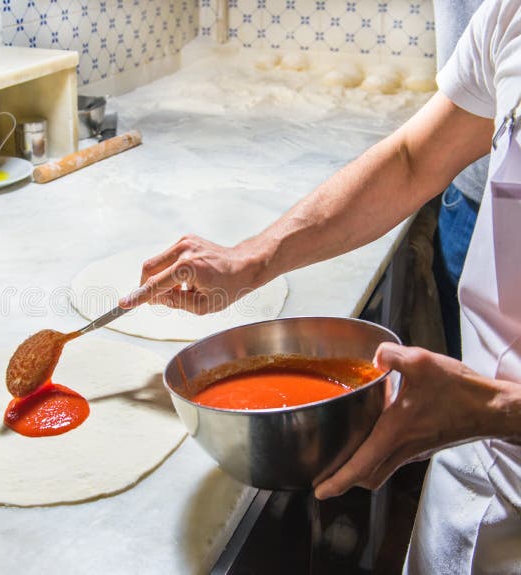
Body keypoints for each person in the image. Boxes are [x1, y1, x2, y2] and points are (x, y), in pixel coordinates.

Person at [119, 0, 521, 571]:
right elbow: (413, 160)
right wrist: (251, 259)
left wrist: (496, 408)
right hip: (468, 482)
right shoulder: (507, 18)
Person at [432, 0, 489, 361]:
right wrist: (263, 256)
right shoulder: (499, 19)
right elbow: (409, 161)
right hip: (467, 191)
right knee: (470, 365)